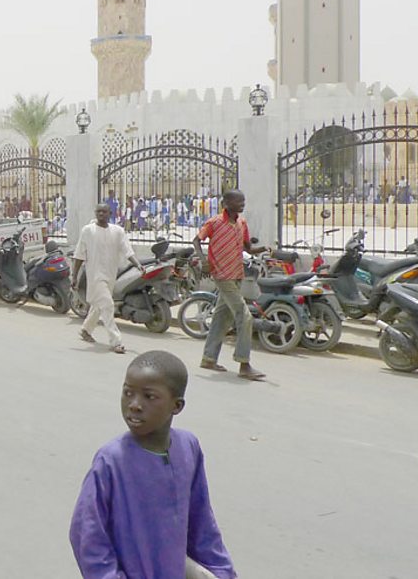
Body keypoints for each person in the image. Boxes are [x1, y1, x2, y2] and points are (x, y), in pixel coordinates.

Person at [70, 351, 235, 578]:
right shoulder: (111, 460)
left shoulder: (188, 447)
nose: (135, 405)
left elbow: (202, 523)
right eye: (128, 393)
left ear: (176, 406)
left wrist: (221, 571)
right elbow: (87, 536)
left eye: (149, 397)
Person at [194, 189, 266, 381]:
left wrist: (264, 249)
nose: (242, 204)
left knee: (221, 316)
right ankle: (244, 363)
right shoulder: (214, 223)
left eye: (243, 200)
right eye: (237, 201)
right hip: (222, 275)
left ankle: (209, 357)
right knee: (245, 315)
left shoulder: (241, 223)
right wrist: (203, 260)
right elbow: (197, 240)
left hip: (236, 274)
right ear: (226, 203)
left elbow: (247, 247)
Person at [73, 203, 143, 354]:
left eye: (104, 212)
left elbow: (127, 251)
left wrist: (138, 264)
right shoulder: (88, 231)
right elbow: (79, 255)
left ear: (110, 213)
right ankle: (116, 341)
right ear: (95, 213)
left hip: (111, 274)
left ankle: (86, 329)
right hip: (95, 275)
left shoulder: (117, 231)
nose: (101, 214)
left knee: (100, 305)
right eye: (98, 211)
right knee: (108, 304)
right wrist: (75, 277)